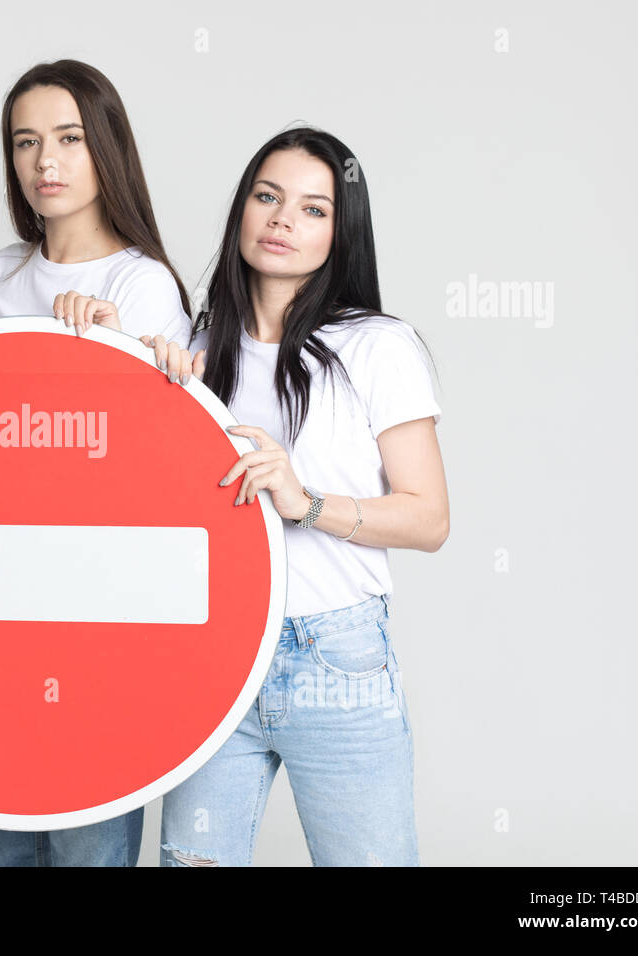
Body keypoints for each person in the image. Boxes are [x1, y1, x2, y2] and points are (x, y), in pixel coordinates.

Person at [0, 59, 192, 866]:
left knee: (87, 832)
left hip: (92, 612)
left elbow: (153, 467)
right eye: (26, 143)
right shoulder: (3, 272)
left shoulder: (142, 284)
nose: (45, 163)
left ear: (106, 150)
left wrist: (108, 353)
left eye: (68, 139)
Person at [141, 126, 450, 866]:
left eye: (313, 209)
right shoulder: (197, 346)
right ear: (242, 208)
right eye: (267, 197)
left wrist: (306, 501)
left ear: (342, 235)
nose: (282, 219)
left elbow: (429, 517)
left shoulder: (378, 345)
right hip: (212, 655)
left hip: (334, 656)